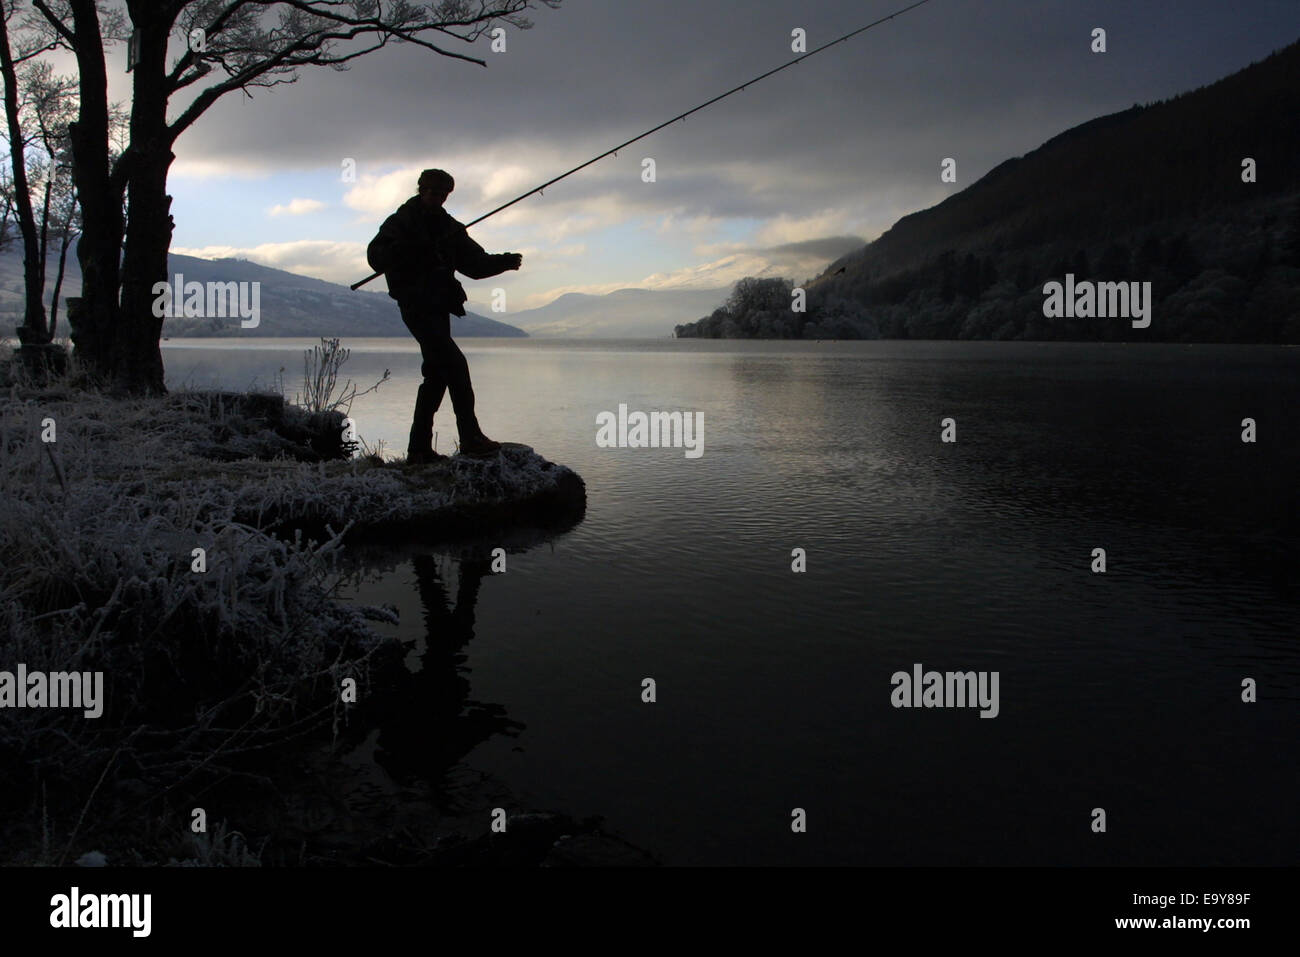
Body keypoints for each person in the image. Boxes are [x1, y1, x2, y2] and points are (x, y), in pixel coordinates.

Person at [367, 168, 523, 461]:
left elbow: (474, 265)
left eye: (443, 194)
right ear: (420, 190)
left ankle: (419, 449)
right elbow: (375, 256)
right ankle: (470, 437)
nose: (437, 198)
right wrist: (411, 249)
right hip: (415, 306)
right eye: (432, 193)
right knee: (456, 365)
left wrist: (504, 262)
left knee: (437, 375)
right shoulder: (401, 222)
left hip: (439, 306)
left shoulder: (449, 227)